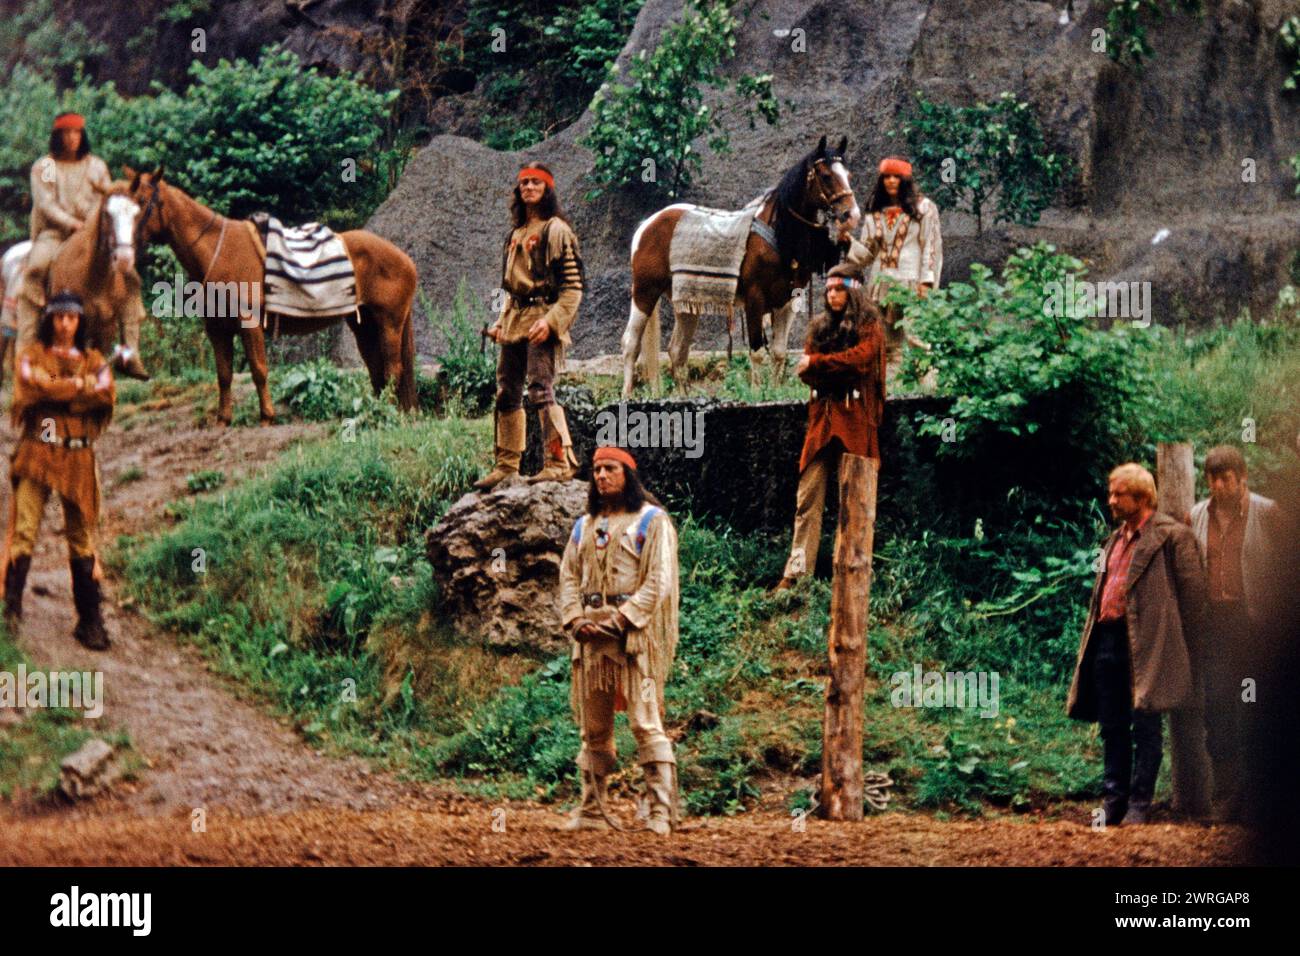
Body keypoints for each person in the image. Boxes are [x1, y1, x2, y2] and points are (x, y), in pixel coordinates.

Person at [1066, 463, 1206, 825]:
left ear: (1142, 497)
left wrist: (1184, 649)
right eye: (1111, 492)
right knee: (1112, 724)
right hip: (1108, 640)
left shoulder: (1173, 537)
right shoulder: (1113, 540)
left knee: (1146, 721)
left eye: (1118, 494)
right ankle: (1114, 800)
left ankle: (1140, 804)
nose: (1111, 500)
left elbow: (1192, 598)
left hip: (1149, 640)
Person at [558, 446, 680, 833]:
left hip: (633, 640)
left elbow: (658, 580)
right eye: (596, 470)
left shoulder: (652, 521)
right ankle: (593, 811)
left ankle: (660, 811)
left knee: (645, 722)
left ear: (628, 473)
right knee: (593, 728)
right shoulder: (584, 525)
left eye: (610, 468)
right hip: (590, 640)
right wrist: (575, 619)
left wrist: (621, 620)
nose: (601, 476)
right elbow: (568, 577)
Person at [2, 290, 115, 650]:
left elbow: (105, 393)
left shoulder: (95, 360)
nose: (65, 323)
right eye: (59, 316)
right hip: (37, 453)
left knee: (82, 538)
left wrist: (53, 388)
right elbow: (28, 388)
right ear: (49, 319)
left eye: (72, 317)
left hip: (78, 458)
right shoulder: (30, 355)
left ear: (80, 321)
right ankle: (11, 614)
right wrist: (78, 388)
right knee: (24, 531)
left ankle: (90, 621)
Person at [772, 263, 885, 591]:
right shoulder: (819, 328)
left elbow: (861, 361)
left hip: (856, 421)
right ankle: (795, 576)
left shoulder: (870, 325)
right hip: (822, 422)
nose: (833, 295)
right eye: (829, 290)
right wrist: (828, 367)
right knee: (807, 501)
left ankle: (851, 573)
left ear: (854, 291)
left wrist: (822, 365)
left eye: (840, 289)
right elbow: (805, 372)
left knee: (855, 501)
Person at [1187, 445, 1283, 823]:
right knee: (1217, 708)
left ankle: (1260, 797)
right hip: (1215, 623)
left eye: (1226, 477)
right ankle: (1228, 796)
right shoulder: (1196, 515)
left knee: (1255, 706)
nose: (1218, 485)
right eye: (1212, 478)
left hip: (1255, 623)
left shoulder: (1268, 512)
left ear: (1243, 478)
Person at [474, 162, 584, 489]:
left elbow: (573, 287)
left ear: (547, 189)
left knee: (540, 389)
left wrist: (551, 322)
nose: (529, 188)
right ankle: (507, 464)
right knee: (507, 392)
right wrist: (500, 324)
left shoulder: (556, 230)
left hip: (542, 318)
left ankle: (557, 461)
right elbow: (511, 290)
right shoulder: (515, 234)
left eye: (536, 183)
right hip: (515, 320)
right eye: (524, 183)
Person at [840, 156, 942, 376]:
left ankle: (929, 393)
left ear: (906, 179)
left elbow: (931, 247)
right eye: (887, 177)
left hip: (912, 283)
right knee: (887, 345)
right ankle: (894, 393)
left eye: (896, 176)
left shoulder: (924, 208)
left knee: (918, 340)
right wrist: (848, 242)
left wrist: (927, 281)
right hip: (881, 286)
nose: (891, 181)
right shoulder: (875, 213)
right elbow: (867, 255)